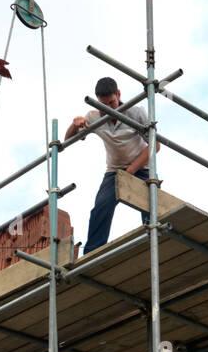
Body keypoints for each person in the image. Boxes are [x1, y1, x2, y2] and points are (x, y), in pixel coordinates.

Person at [65, 76, 161, 254]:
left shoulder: (136, 112)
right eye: (103, 105)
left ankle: (154, 246)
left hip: (141, 168)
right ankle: (93, 253)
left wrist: (132, 169)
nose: (108, 109)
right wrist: (74, 125)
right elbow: (68, 140)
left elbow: (155, 145)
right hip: (114, 170)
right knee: (101, 207)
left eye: (112, 103)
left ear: (118, 94)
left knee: (150, 205)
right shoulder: (93, 117)